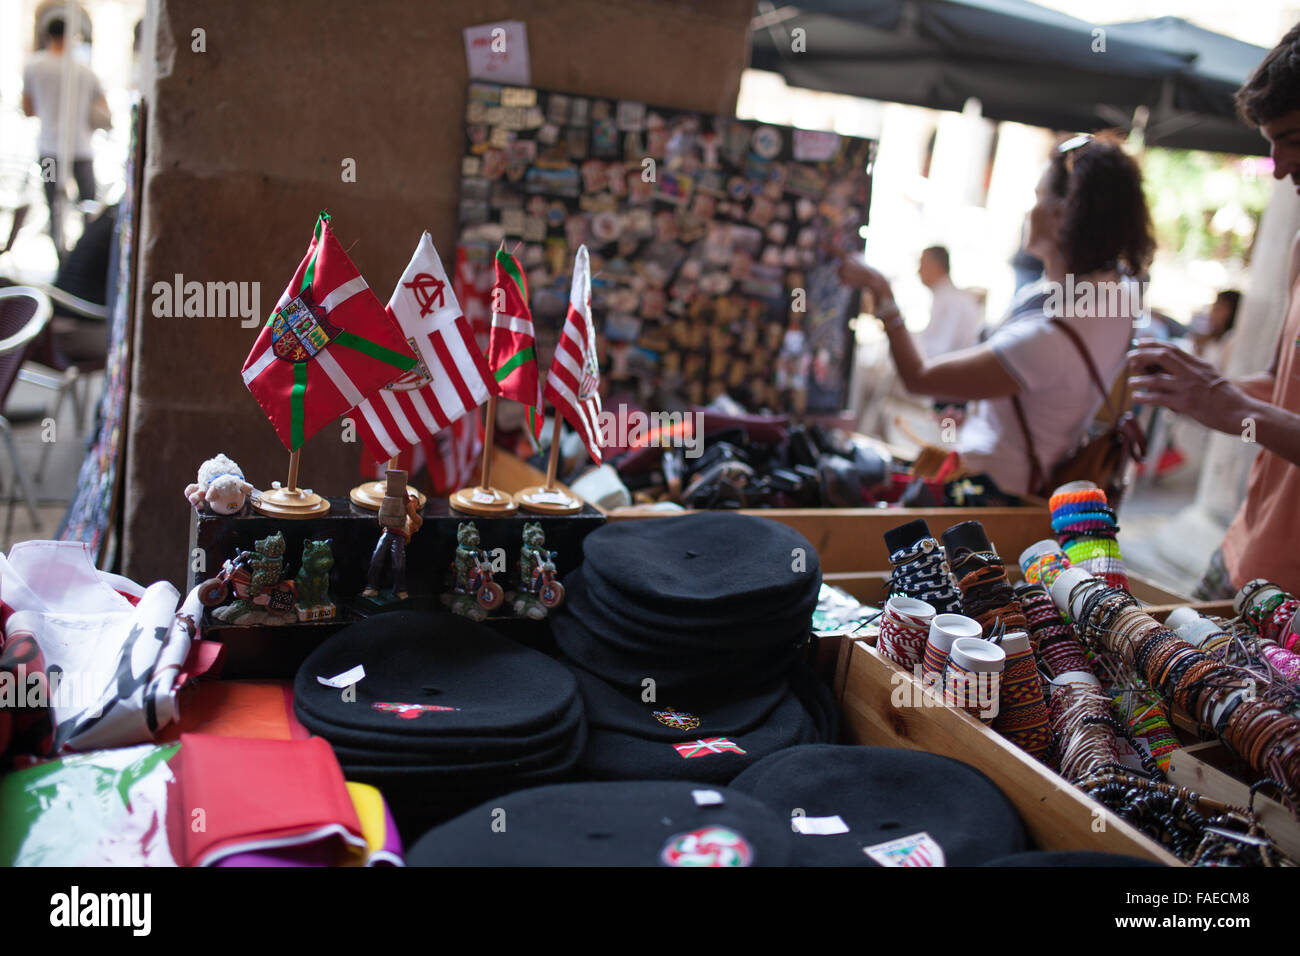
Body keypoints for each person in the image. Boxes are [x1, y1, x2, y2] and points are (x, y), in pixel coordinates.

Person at [839, 133, 1153, 497]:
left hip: (988, 492)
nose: (1028, 211)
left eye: (1038, 198)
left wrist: (882, 293)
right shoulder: (1119, 299)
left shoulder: (1046, 339)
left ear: (1061, 215)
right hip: (1025, 468)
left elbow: (919, 378)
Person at [1127, 26, 1300, 598]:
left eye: (1293, 138)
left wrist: (1230, 405)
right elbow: (1279, 387)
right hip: (1240, 552)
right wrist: (1194, 390)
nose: (1277, 167)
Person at [21, 17, 109, 256]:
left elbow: (28, 109)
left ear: (47, 35)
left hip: (50, 148)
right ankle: (82, 257)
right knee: (88, 204)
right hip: (81, 148)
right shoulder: (84, 70)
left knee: (54, 205)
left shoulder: (33, 66)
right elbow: (104, 110)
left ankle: (62, 259)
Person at [916, 245, 983, 360]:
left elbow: (938, 351)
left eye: (922, 264)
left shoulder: (951, 301)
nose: (918, 271)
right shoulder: (948, 297)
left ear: (935, 266)